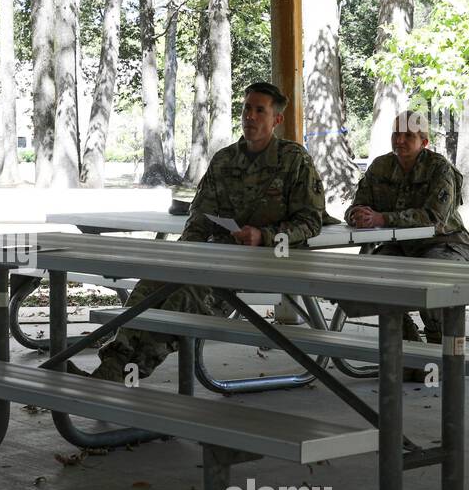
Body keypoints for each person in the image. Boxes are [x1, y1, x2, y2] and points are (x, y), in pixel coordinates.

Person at [79, 81, 325, 382]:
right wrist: (186, 254)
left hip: (269, 261)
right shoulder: (224, 160)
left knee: (187, 297)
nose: (250, 116)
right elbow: (199, 216)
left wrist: (264, 235)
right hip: (220, 256)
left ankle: (127, 370)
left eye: (260, 110)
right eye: (246, 108)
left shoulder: (294, 160)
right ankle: (114, 362)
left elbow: (311, 221)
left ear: (276, 119)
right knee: (151, 284)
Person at [345, 111, 469, 375]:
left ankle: (442, 357)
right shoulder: (380, 167)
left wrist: (382, 218)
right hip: (400, 246)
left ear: (424, 141)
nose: (400, 141)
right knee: (371, 275)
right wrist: (358, 215)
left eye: (409, 135)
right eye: (396, 134)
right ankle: (409, 351)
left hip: (445, 244)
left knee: (430, 280)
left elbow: (434, 218)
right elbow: (357, 205)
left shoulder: (439, 168)